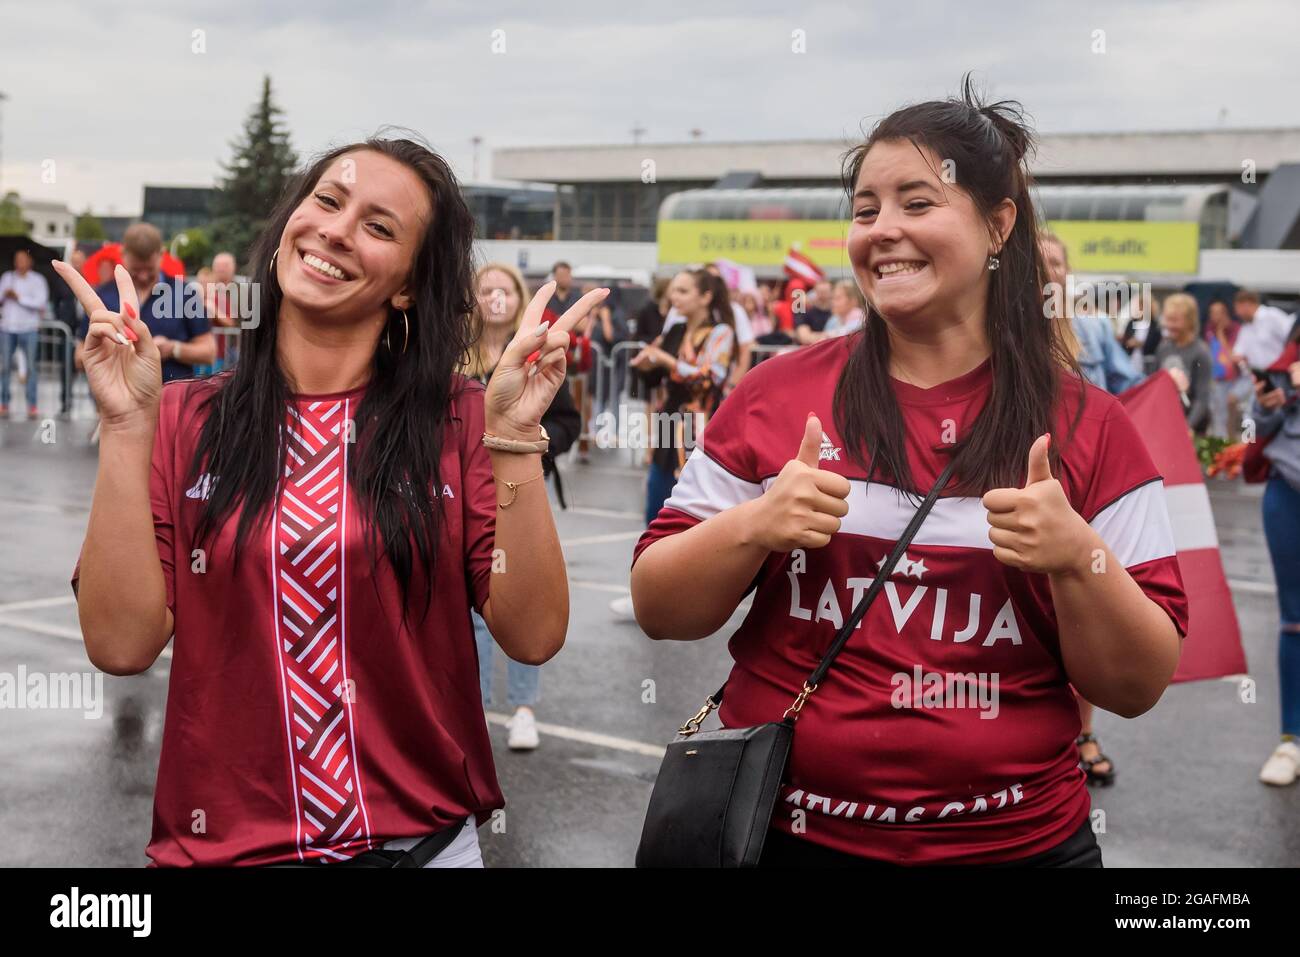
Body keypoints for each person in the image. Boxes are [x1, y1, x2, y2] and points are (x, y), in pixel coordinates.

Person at [630, 81, 1187, 867]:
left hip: (1020, 847)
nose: (883, 229)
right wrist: (754, 525)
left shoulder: (1092, 424)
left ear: (999, 224)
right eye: (865, 210)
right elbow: (658, 606)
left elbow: (1137, 684)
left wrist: (1077, 558)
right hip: (787, 837)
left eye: (918, 203)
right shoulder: (773, 394)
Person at [56, 136, 608, 867]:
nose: (337, 231)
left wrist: (514, 435)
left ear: (408, 286)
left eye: (379, 226)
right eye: (327, 200)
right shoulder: (182, 417)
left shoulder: (460, 417)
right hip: (223, 851)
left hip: (420, 849)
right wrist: (127, 429)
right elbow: (120, 645)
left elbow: (533, 633)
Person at [461, 261, 582, 750]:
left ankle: (524, 708)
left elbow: (569, 422)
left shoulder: (538, 353)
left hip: (519, 494)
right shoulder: (454, 357)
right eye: (486, 290)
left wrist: (531, 450)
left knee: (525, 597)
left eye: (505, 290)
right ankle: (475, 708)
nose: (496, 298)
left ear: (517, 299)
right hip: (467, 499)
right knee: (475, 608)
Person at [610, 269, 735, 621]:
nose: (674, 297)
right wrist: (645, 363)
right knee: (656, 505)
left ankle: (696, 594)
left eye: (683, 291)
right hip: (668, 425)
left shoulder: (720, 332)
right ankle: (646, 591)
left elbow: (711, 377)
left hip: (700, 430)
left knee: (695, 513)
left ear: (705, 296)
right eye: (674, 290)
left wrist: (664, 360)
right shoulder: (675, 329)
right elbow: (652, 377)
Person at [1250, 321, 1300, 786]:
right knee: (1294, 619)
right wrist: (1269, 406)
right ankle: (1291, 739)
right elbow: (1253, 432)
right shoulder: (1285, 363)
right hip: (1287, 493)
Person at [75, 223, 217, 382]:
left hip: (172, 393)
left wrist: (173, 349)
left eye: (149, 269)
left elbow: (209, 352)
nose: (143, 276)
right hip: (116, 392)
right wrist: (109, 353)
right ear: (123, 255)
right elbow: (80, 355)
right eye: (136, 270)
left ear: (161, 255)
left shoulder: (185, 294)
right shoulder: (103, 296)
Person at [0, 248, 50, 418]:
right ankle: (4, 402)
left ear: (30, 262)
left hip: (29, 328)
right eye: (17, 259)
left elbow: (40, 302)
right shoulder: (7, 277)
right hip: (8, 328)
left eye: (23, 259)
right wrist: (5, 294)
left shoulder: (38, 280)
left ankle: (32, 404)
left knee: (31, 368)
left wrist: (19, 297)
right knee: (5, 367)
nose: (19, 262)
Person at [1155, 293, 1213, 435]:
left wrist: (1187, 427)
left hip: (1192, 426)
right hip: (1166, 421)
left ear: (1189, 321)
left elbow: (1202, 398)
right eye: (1168, 320)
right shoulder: (1163, 348)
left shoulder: (1200, 352)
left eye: (1175, 320)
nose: (1169, 325)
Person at [1205, 300, 1243, 438]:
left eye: (1217, 313)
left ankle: (1228, 439)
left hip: (1231, 377)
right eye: (1211, 313)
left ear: (1224, 314)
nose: (1213, 316)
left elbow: (1230, 354)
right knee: (1216, 410)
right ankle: (1220, 439)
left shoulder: (1235, 328)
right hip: (1215, 376)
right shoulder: (1209, 328)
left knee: (1228, 411)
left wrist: (1220, 333)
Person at [1233, 288, 1295, 372]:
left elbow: (1292, 338)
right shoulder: (1245, 328)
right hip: (1258, 375)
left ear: (1247, 304)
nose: (1237, 313)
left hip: (1280, 372)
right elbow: (1238, 354)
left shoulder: (1272, 316)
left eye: (1238, 308)